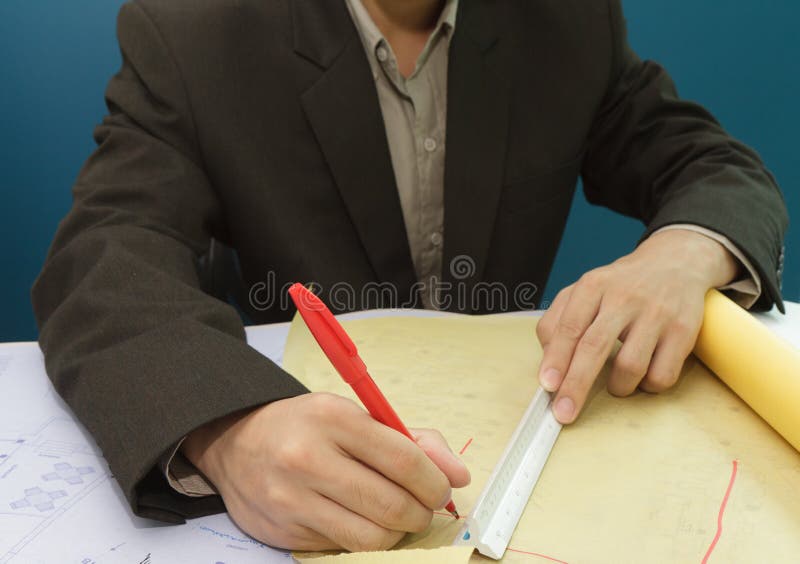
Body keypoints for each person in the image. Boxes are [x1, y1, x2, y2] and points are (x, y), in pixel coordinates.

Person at [32, 0, 787, 553]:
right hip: (304, 450)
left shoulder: (569, 19)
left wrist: (683, 251)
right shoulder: (191, 31)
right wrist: (229, 431)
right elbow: (102, 255)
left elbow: (712, 166)